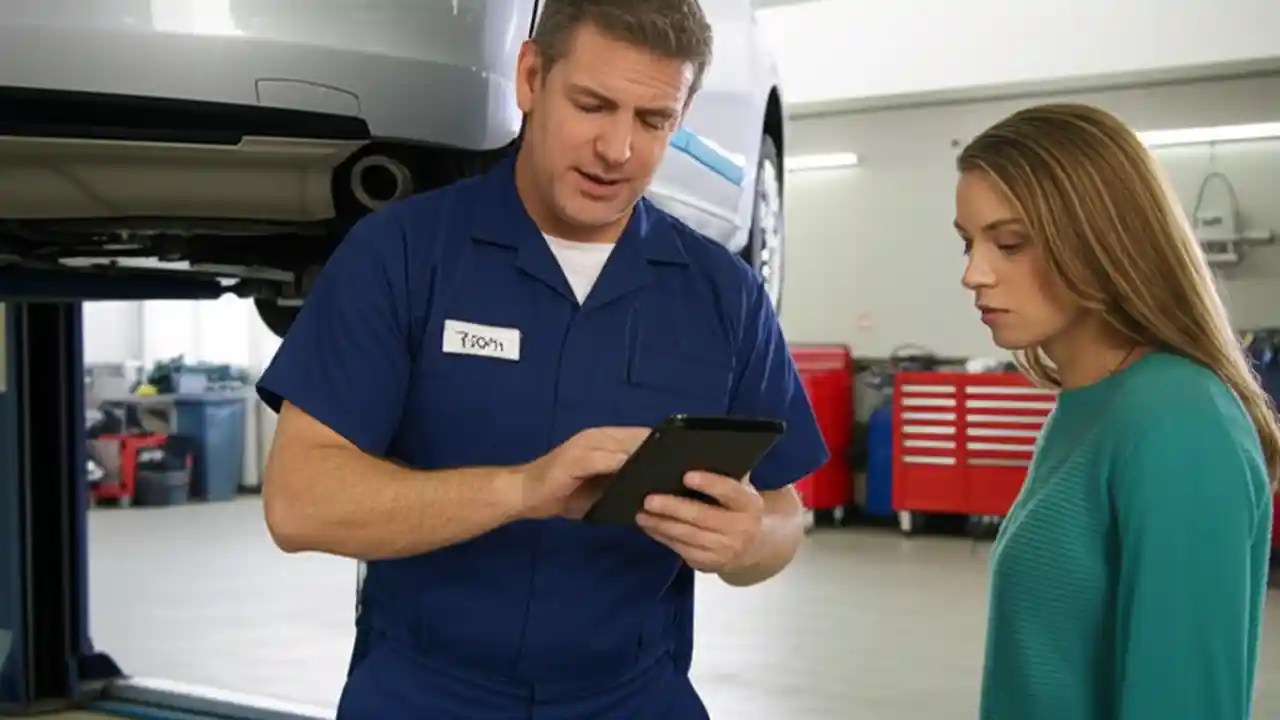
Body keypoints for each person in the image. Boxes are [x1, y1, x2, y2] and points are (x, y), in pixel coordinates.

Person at [254, 0, 828, 717]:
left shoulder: (723, 294)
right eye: (593, 105)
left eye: (653, 120)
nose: (617, 148)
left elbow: (784, 514)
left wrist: (749, 540)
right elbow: (300, 504)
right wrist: (523, 490)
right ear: (530, 77)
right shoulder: (401, 255)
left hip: (634, 698)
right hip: (424, 694)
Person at [954, 102, 1277, 720]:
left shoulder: (1179, 422)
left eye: (1011, 243)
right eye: (968, 242)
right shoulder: (1087, 406)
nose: (975, 273)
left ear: (1103, 237)